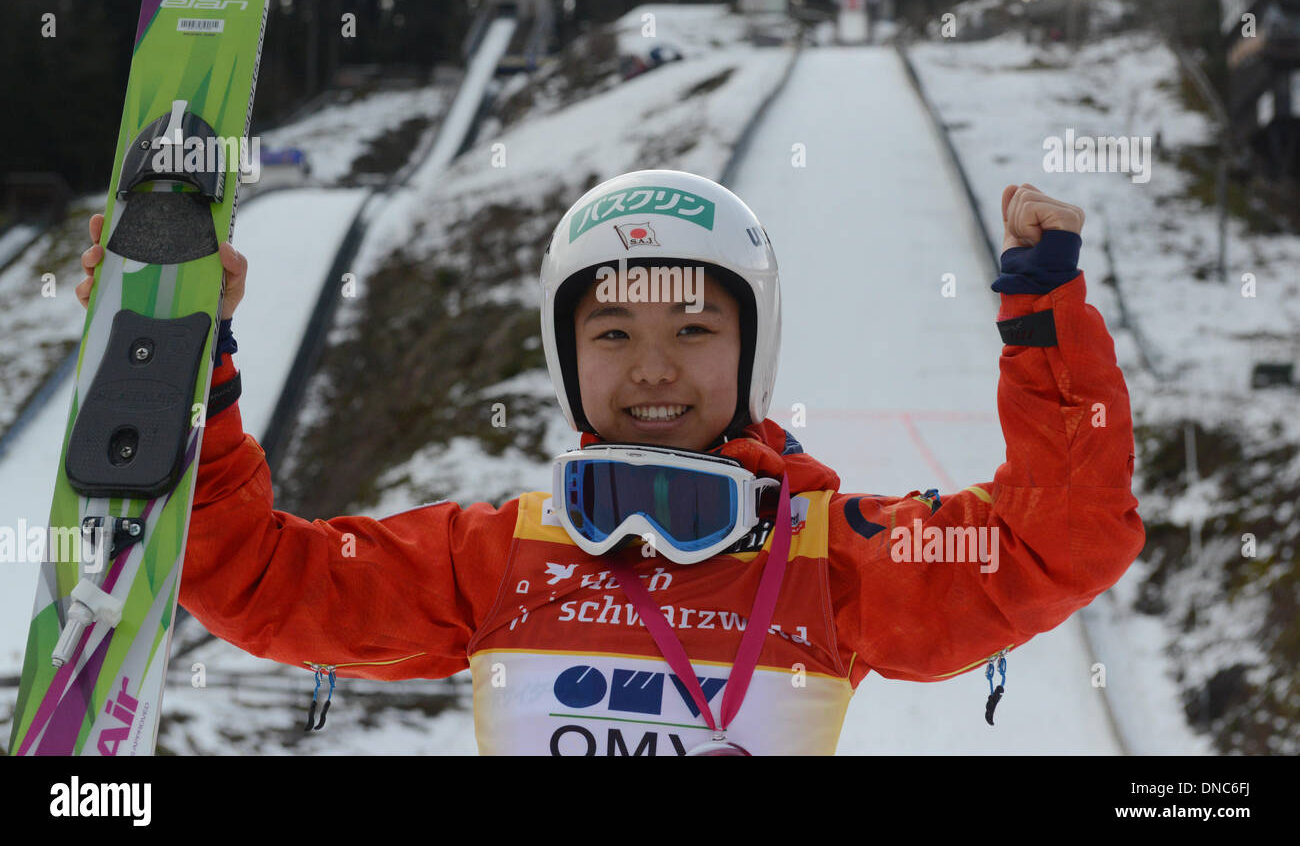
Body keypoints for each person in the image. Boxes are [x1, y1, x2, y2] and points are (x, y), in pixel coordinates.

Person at [77, 169, 1144, 756]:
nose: (651, 370)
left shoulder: (834, 562)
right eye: (612, 333)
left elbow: (1057, 538)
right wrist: (182, 377)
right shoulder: (501, 555)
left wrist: (1041, 313)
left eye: (692, 329)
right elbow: (263, 579)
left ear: (751, 348)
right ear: (566, 355)